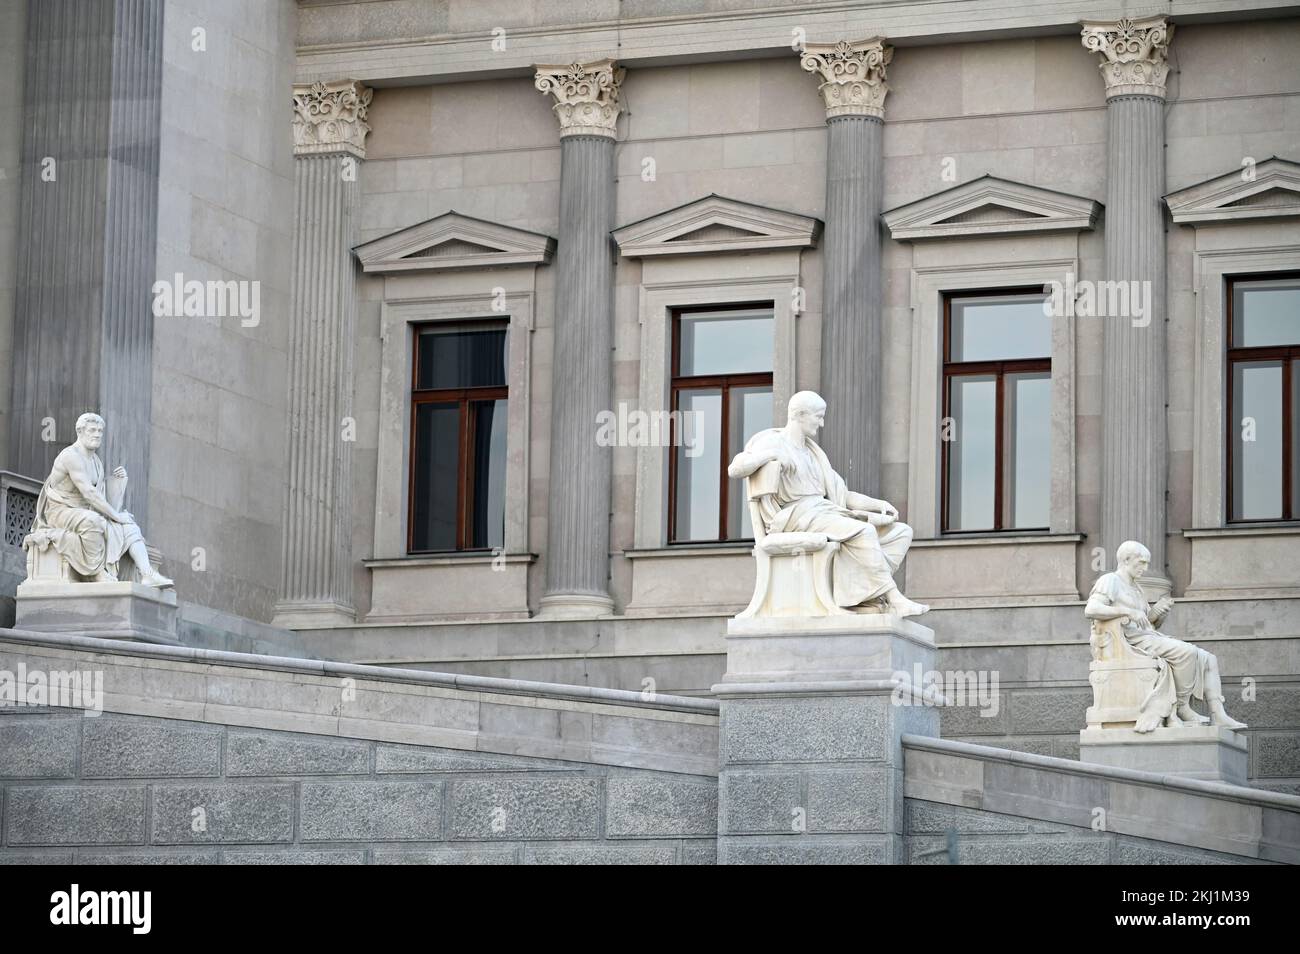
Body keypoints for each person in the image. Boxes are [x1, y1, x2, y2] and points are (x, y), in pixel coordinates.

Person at [728, 390, 928, 618]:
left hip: (824, 512)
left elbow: (842, 493)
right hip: (796, 516)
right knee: (864, 531)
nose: (821, 423)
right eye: (818, 416)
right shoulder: (772, 441)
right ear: (800, 415)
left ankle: (861, 595)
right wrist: (771, 455)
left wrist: (878, 504)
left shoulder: (814, 454)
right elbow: (735, 469)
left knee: (901, 532)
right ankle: (894, 598)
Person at [1085, 540, 1244, 730]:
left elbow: (1148, 623)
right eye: (1141, 562)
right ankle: (1182, 706)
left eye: (1147, 563)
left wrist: (1158, 613)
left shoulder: (1137, 588)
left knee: (1209, 659)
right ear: (1126, 560)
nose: (1145, 567)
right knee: (1188, 652)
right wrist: (1127, 612)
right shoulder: (1110, 580)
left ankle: (1218, 714)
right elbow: (1091, 608)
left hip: (1147, 637)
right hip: (1130, 643)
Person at [30, 412, 173, 588]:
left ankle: (147, 574)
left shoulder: (96, 461)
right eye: (92, 430)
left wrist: (119, 482)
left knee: (129, 525)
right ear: (80, 432)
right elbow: (89, 493)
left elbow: (100, 496)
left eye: (100, 431)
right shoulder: (70, 456)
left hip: (82, 510)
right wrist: (115, 516)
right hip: (60, 512)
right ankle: (95, 573)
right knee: (94, 521)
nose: (97, 434)